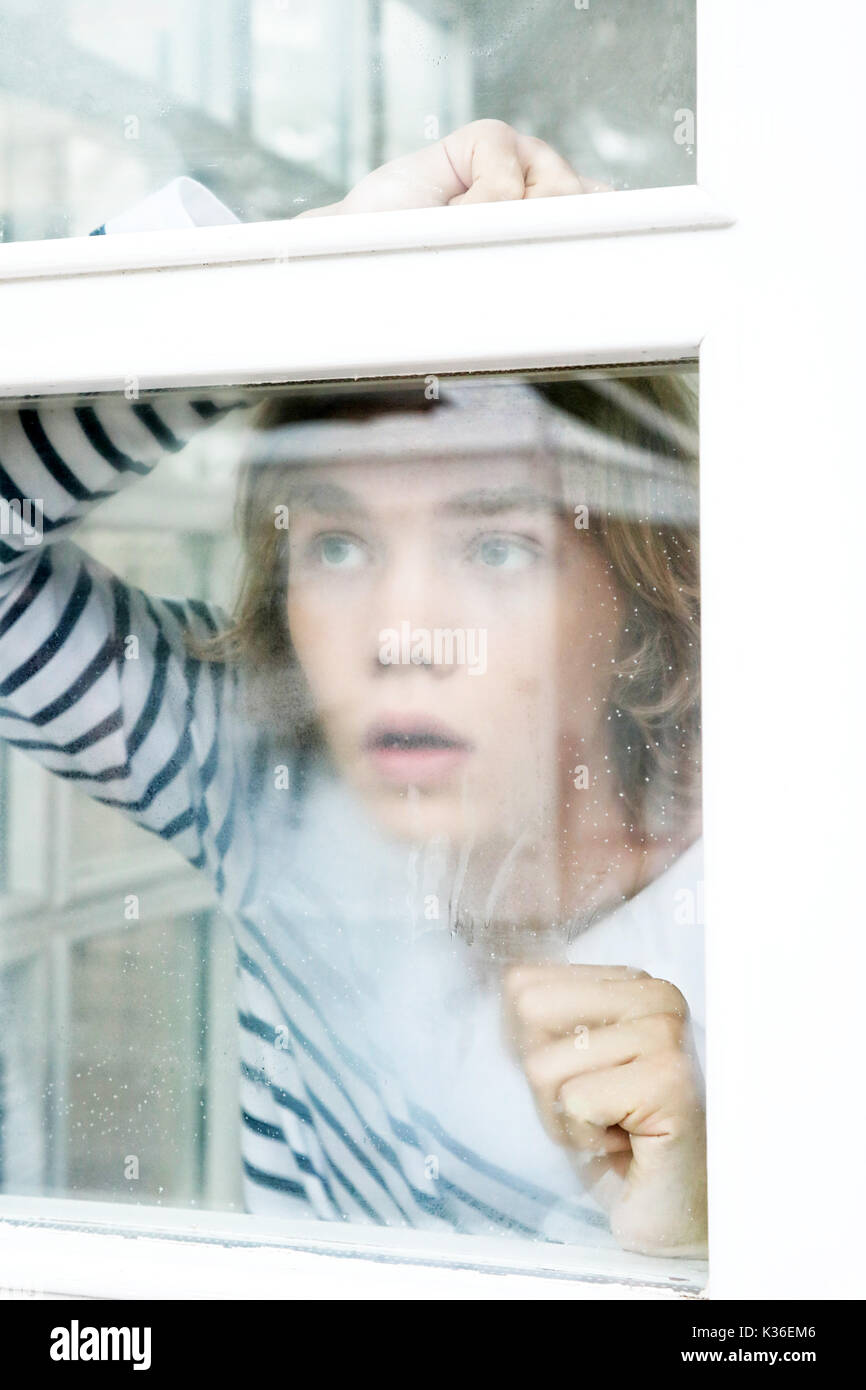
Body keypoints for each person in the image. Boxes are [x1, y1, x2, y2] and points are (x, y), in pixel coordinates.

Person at [0, 121, 706, 1256]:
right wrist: (294, 279)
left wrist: (702, 1249)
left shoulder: (789, 917)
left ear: (633, 596)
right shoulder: (262, 779)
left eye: (493, 549)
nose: (398, 639)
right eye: (334, 544)